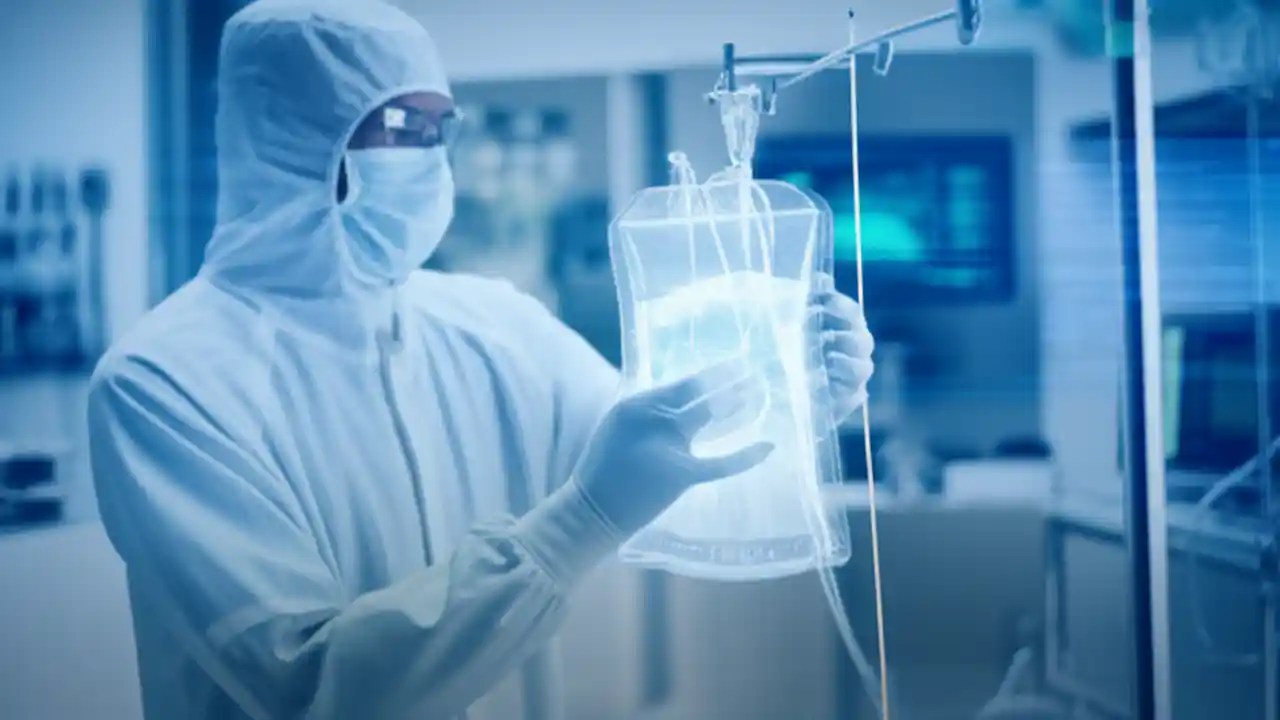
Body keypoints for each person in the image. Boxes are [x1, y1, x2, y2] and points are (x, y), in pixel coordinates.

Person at [86, 1, 876, 718]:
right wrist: (577, 523)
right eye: (402, 126)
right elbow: (309, 687)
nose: (432, 157)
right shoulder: (165, 383)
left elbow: (669, 474)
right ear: (292, 140)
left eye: (443, 130)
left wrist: (784, 402)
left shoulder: (492, 324)